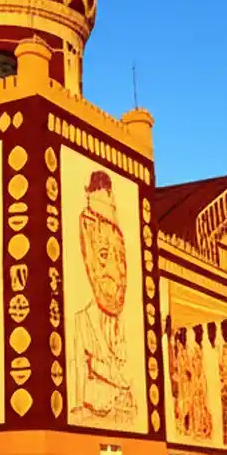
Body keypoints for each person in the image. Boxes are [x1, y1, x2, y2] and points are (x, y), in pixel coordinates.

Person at [69, 170, 135, 425]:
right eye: (104, 255)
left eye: (120, 258)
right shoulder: (81, 323)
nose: (116, 272)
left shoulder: (127, 328)